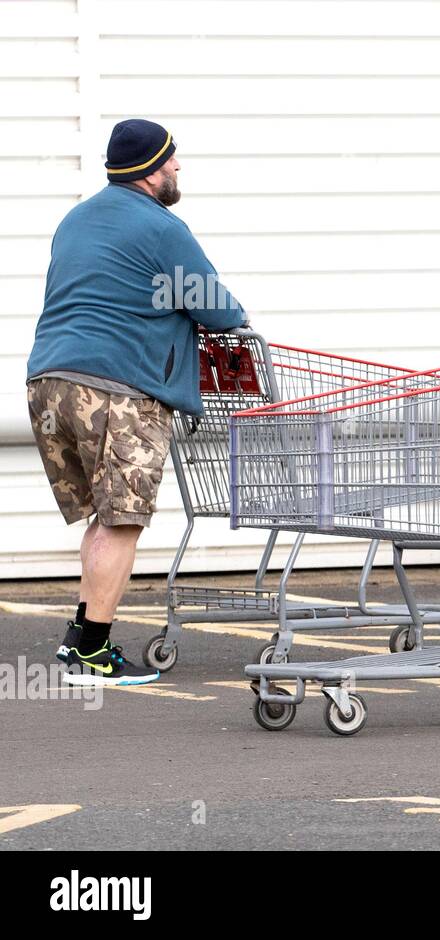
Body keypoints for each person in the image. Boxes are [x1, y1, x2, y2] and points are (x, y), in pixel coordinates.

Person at [26, 119, 247, 685]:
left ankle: (81, 637)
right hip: (117, 390)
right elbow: (220, 311)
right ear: (151, 169)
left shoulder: (76, 219)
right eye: (171, 159)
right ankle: (93, 652)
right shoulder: (160, 226)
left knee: (105, 516)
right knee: (123, 521)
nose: (177, 168)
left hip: (49, 381)